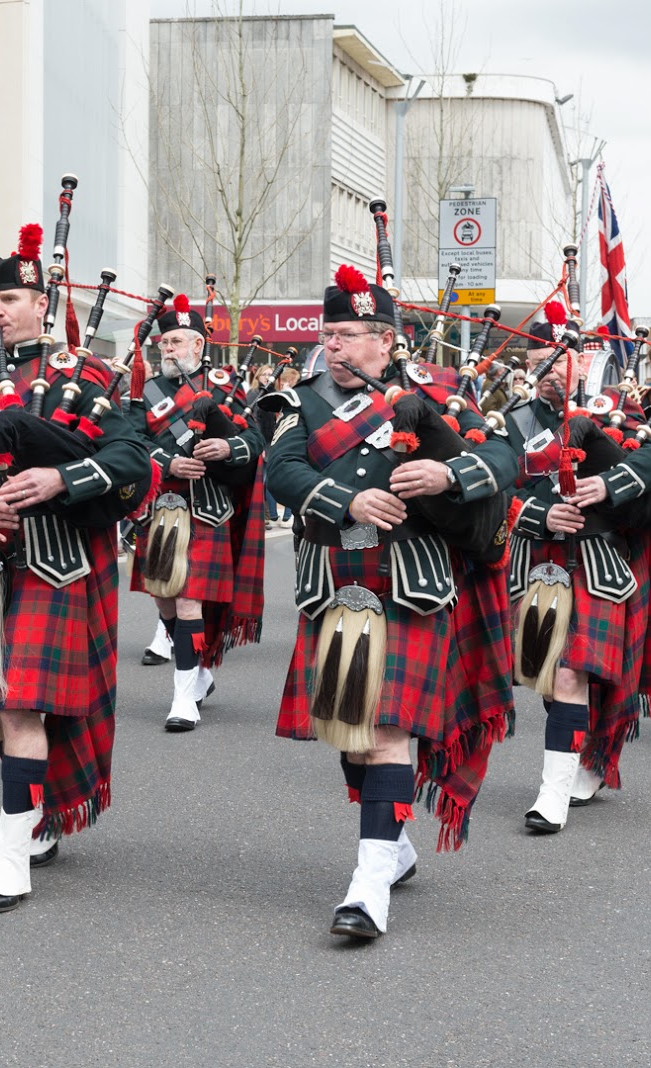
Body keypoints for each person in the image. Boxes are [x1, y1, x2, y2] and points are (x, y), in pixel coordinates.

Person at [260, 265, 517, 941]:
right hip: (334, 585)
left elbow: (505, 457)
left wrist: (447, 472)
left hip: (411, 584)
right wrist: (347, 500)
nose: (333, 345)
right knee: (351, 734)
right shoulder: (302, 403)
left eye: (347, 335)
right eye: (328, 333)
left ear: (385, 341)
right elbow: (282, 471)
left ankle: (369, 885)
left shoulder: (436, 394)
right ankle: (394, 846)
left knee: (386, 732)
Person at [0, 223, 149, 914]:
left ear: (41, 304)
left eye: (10, 298)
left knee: (19, 704)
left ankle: (10, 852)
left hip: (52, 564)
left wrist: (59, 479)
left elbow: (132, 460)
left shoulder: (84, 375)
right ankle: (36, 805)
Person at [504, 308, 651, 832]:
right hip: (537, 562)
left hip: (600, 560)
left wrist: (608, 484)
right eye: (538, 362)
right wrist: (538, 514)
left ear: (582, 362)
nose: (547, 371)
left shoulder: (616, 408)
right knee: (550, 678)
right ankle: (585, 752)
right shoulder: (513, 420)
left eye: (558, 361)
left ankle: (552, 793)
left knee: (570, 671)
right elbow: (495, 485)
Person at [129, 294, 265, 732]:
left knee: (189, 600)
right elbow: (129, 444)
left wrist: (228, 446)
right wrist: (167, 463)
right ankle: (200, 671)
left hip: (207, 510)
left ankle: (183, 696)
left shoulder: (225, 388)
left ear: (198, 346)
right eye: (164, 343)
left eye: (177, 342)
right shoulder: (146, 392)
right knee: (165, 599)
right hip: (159, 509)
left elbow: (257, 440)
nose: (169, 350)